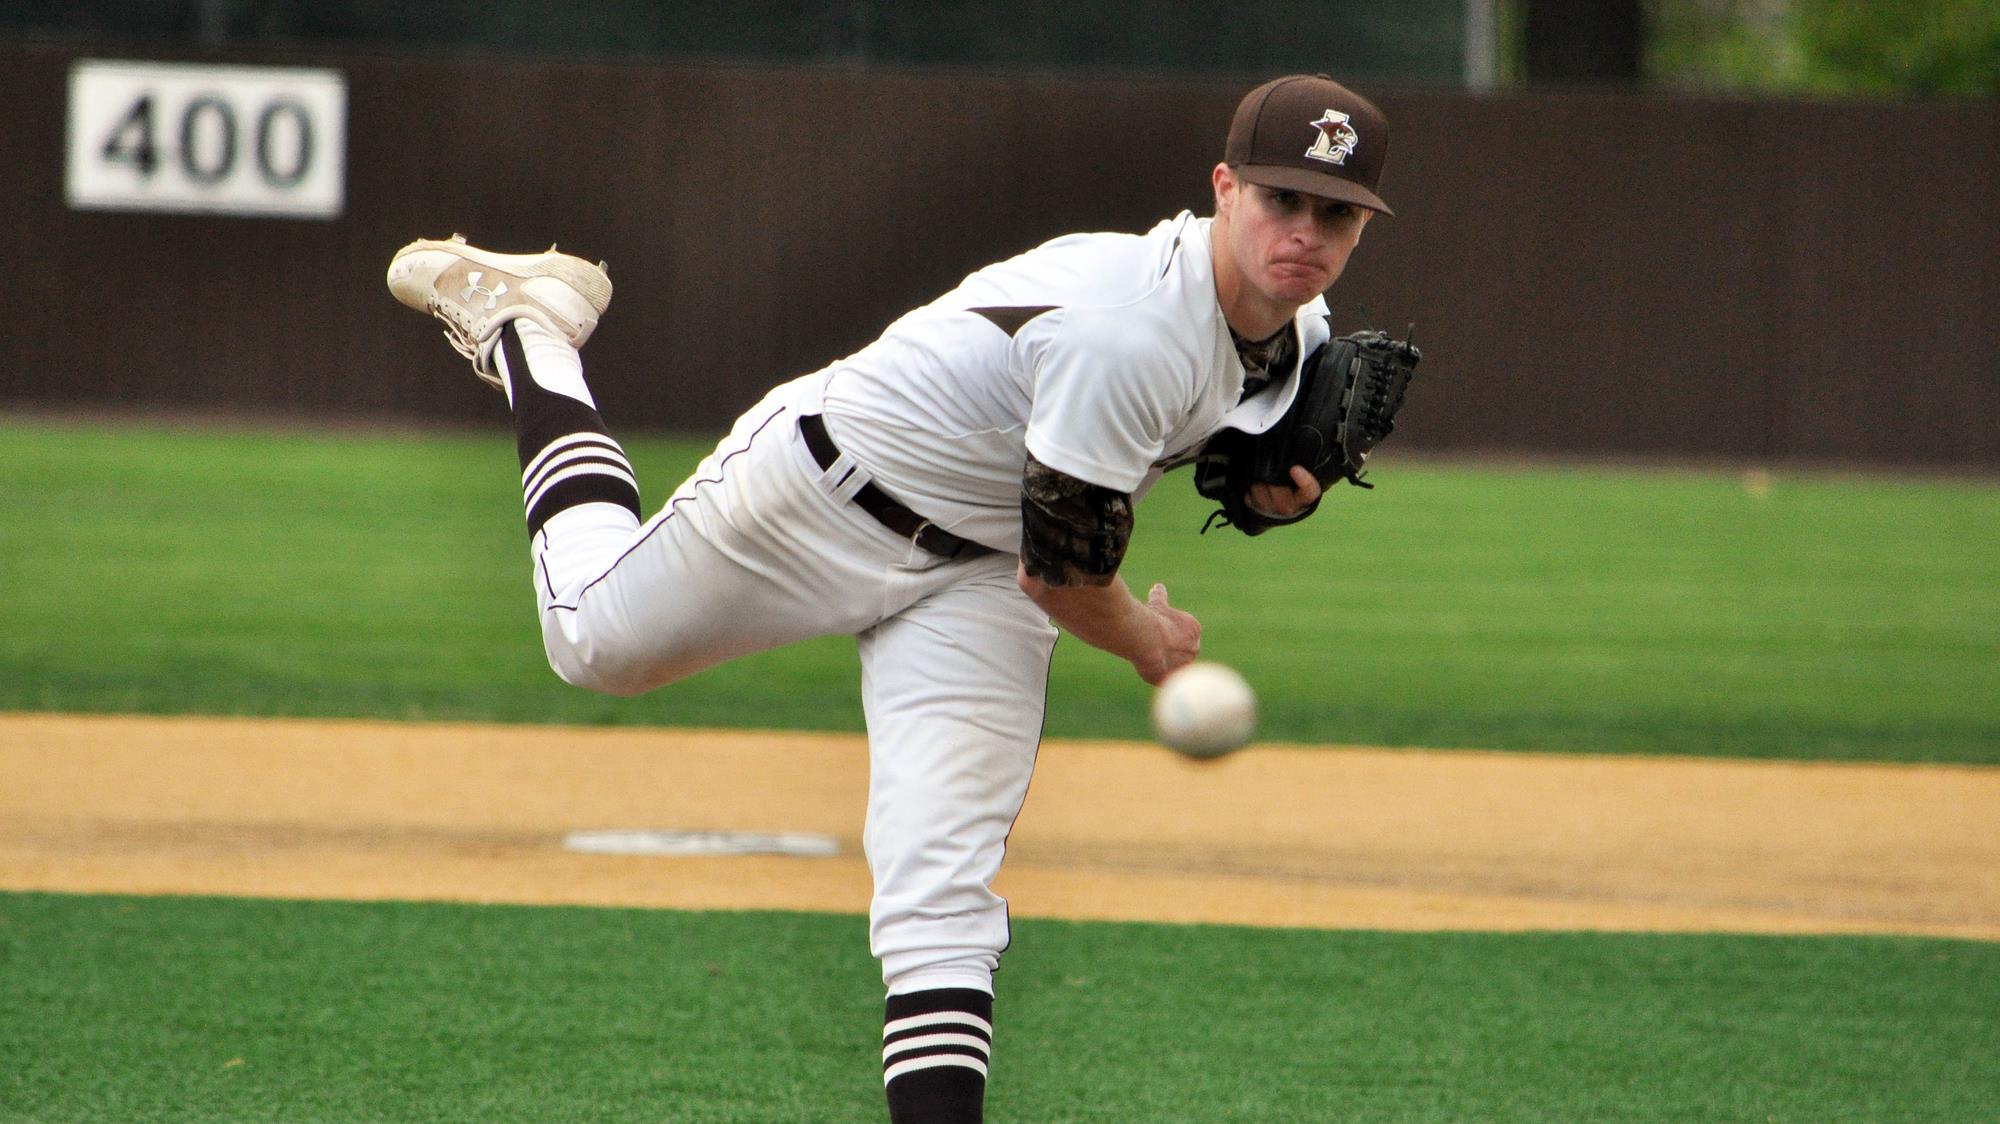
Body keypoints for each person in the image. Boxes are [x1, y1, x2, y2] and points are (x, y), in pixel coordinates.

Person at [388, 72, 1393, 1123]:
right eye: (1283, 199)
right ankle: (531, 333)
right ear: (1223, 189)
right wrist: (1147, 642)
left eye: (1337, 213)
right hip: (825, 493)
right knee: (592, 641)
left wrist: (1277, 488)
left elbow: (1217, 439)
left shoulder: (1296, 332)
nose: (1306, 232)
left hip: (980, 572)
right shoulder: (1129, 328)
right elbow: (1064, 573)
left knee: (941, 889)